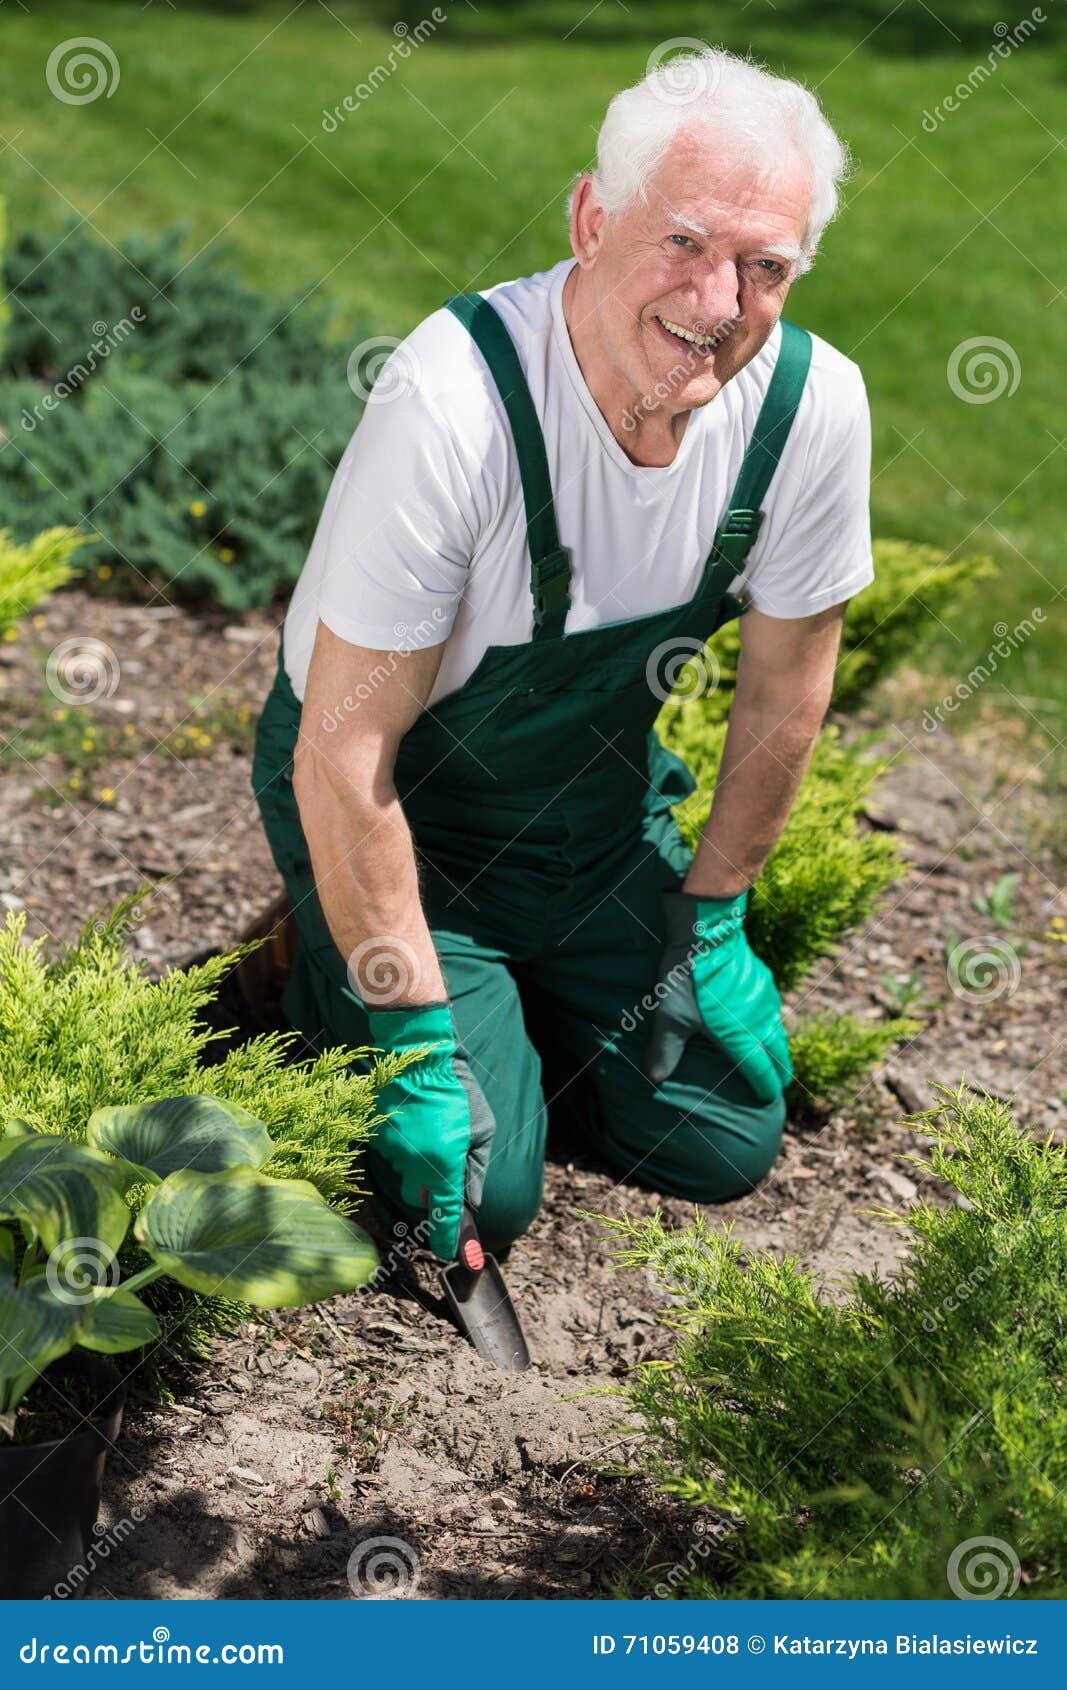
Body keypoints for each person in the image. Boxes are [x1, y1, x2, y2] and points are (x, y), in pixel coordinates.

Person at [250, 45, 873, 1265]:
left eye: (763, 267)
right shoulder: (455, 406)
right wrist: (416, 1036)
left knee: (716, 1139)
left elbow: (786, 688)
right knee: (482, 1196)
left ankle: (517, 1030)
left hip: (585, 819)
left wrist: (714, 918)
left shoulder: (810, 410)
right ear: (592, 219)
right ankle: (307, 970)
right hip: (389, 813)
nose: (714, 304)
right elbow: (341, 749)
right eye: (682, 241)